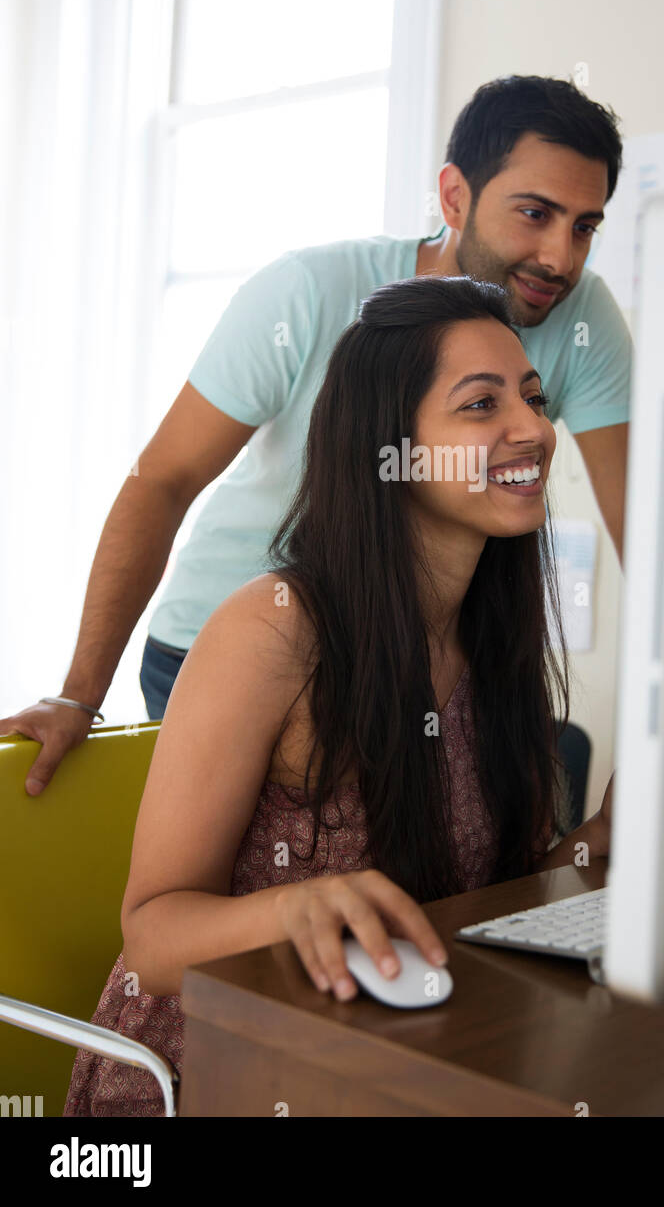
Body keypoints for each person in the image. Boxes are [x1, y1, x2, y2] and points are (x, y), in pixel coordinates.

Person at [63, 275, 612, 1117]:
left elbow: (477, 899)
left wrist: (600, 847)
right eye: (480, 405)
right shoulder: (274, 631)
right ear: (387, 447)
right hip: (215, 1075)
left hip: (389, 1062)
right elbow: (152, 937)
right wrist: (297, 905)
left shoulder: (490, 638)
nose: (533, 429)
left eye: (534, 398)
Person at [2, 74, 632, 795]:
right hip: (227, 648)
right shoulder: (308, 292)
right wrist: (79, 695)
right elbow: (164, 480)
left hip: (399, 655)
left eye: (585, 225)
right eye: (534, 213)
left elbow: (644, 533)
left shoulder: (582, 319)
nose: (562, 258)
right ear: (455, 196)